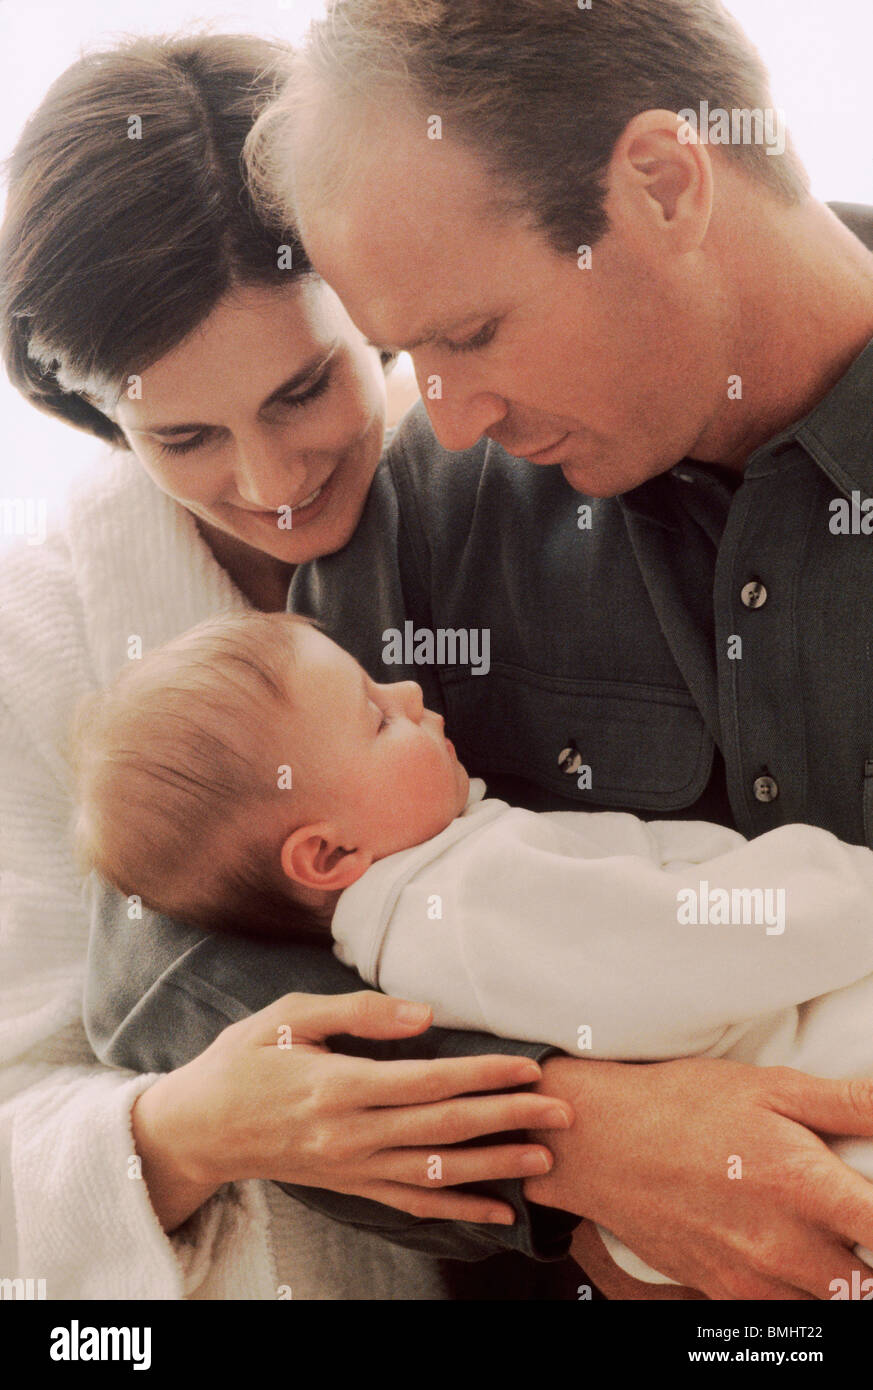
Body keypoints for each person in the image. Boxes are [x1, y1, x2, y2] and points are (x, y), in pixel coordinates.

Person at [234, 0, 873, 1299]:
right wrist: (567, 1136)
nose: (450, 416)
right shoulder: (422, 514)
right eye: (406, 351)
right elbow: (193, 966)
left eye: (470, 333)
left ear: (663, 184)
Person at [0, 32, 573, 1301]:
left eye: (306, 388)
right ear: (101, 416)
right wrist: (185, 1131)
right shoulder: (28, 648)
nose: (271, 484)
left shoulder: (535, 482)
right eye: (184, 436)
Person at [73, 608, 873, 1293]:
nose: (411, 693)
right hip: (821, 1100)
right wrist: (847, 889)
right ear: (327, 856)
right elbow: (706, 950)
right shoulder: (465, 901)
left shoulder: (435, 900)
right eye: (378, 718)